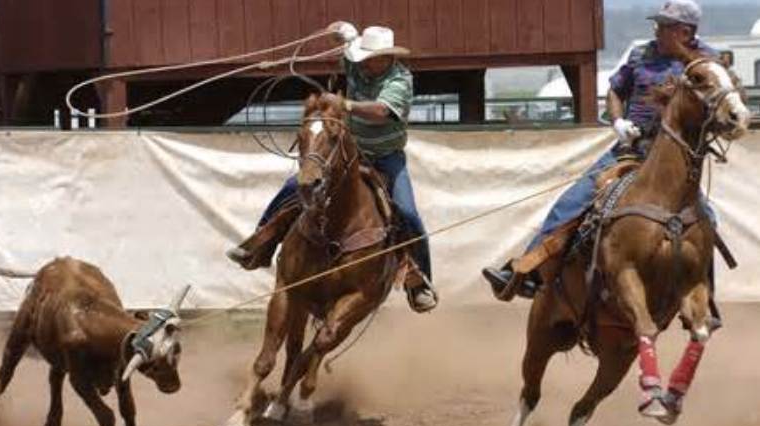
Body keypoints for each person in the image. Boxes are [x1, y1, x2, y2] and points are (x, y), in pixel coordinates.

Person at [482, 0, 720, 300]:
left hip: (676, 164)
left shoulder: (706, 62)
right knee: (572, 201)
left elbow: (720, 105)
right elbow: (615, 90)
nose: (657, 30)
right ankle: (525, 272)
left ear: (685, 32)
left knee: (706, 221)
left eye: (664, 25)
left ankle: (704, 295)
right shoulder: (640, 55)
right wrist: (618, 121)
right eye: (658, 24)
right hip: (631, 150)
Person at [227, 23, 438, 313]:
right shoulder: (356, 63)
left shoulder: (400, 80)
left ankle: (420, 281)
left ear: (389, 57)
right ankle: (260, 242)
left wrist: (347, 104)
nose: (368, 62)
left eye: (374, 57)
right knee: (295, 185)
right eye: (366, 57)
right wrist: (341, 30)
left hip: (385, 157)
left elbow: (382, 111)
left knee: (407, 212)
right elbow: (347, 37)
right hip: (348, 152)